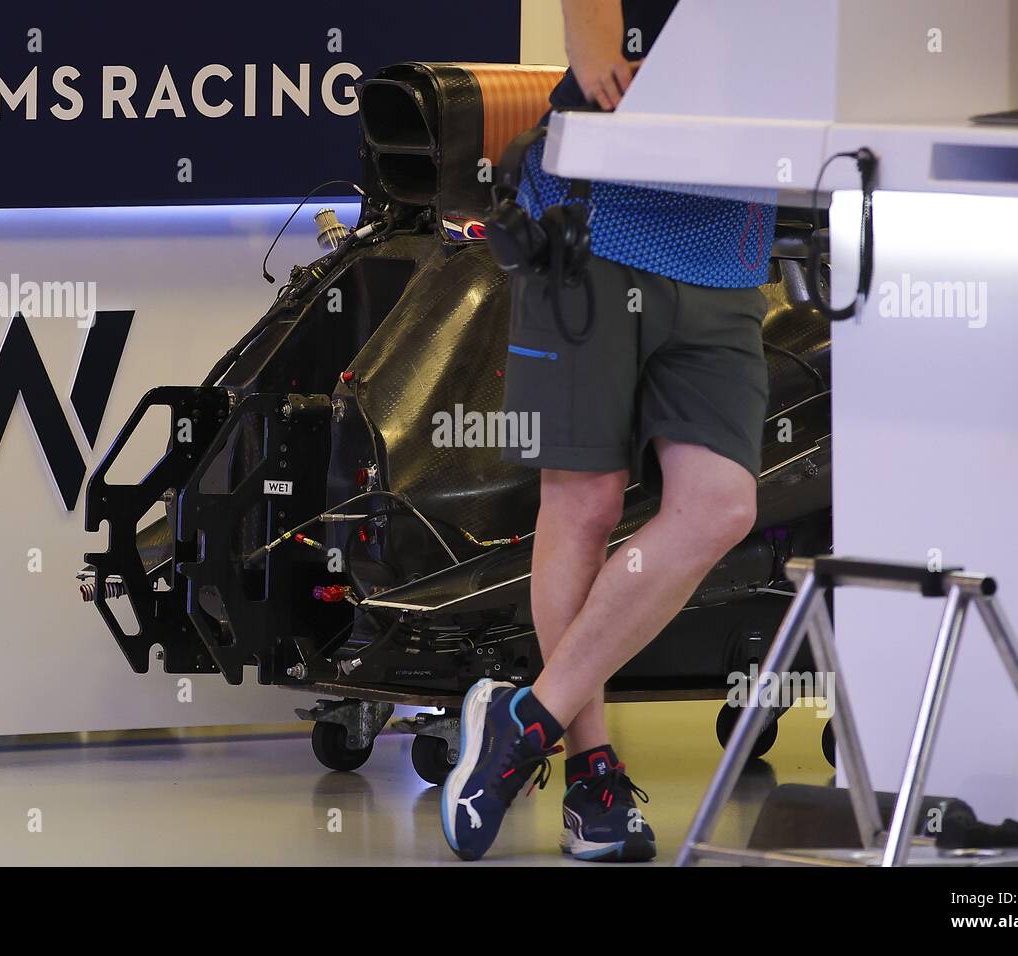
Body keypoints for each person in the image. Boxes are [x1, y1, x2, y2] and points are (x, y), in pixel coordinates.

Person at [441, 0, 775, 862]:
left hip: (728, 247)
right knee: (584, 505)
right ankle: (591, 777)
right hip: (592, 228)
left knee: (719, 507)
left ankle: (528, 715)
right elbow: (597, 52)